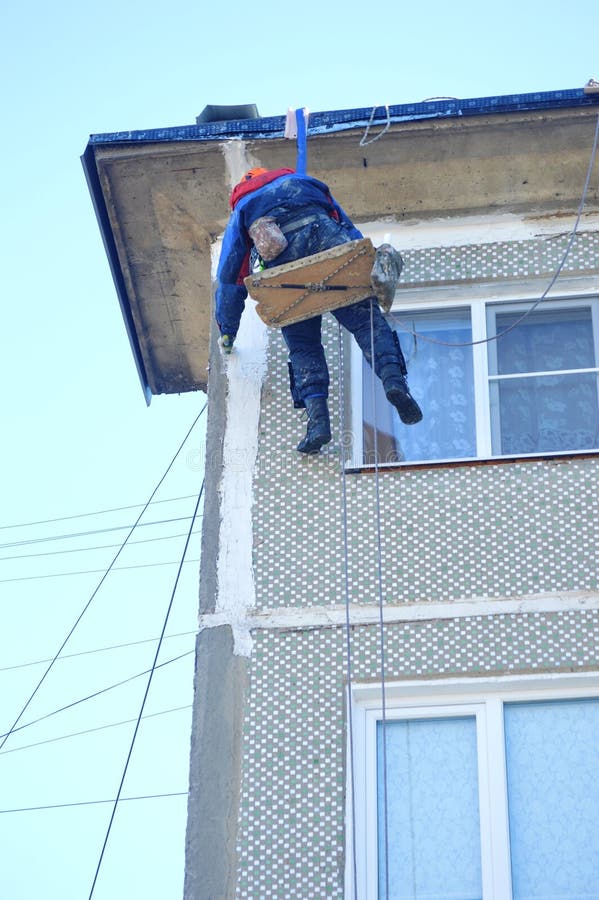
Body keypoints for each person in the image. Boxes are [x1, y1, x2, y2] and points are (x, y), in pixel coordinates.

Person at [215, 167, 423, 454]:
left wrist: (227, 330)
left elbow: (229, 277)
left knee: (303, 346)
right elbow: (346, 227)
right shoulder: (305, 183)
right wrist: (367, 265)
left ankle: (318, 423)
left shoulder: (243, 206)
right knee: (367, 322)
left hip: (283, 259)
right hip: (327, 237)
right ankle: (394, 382)